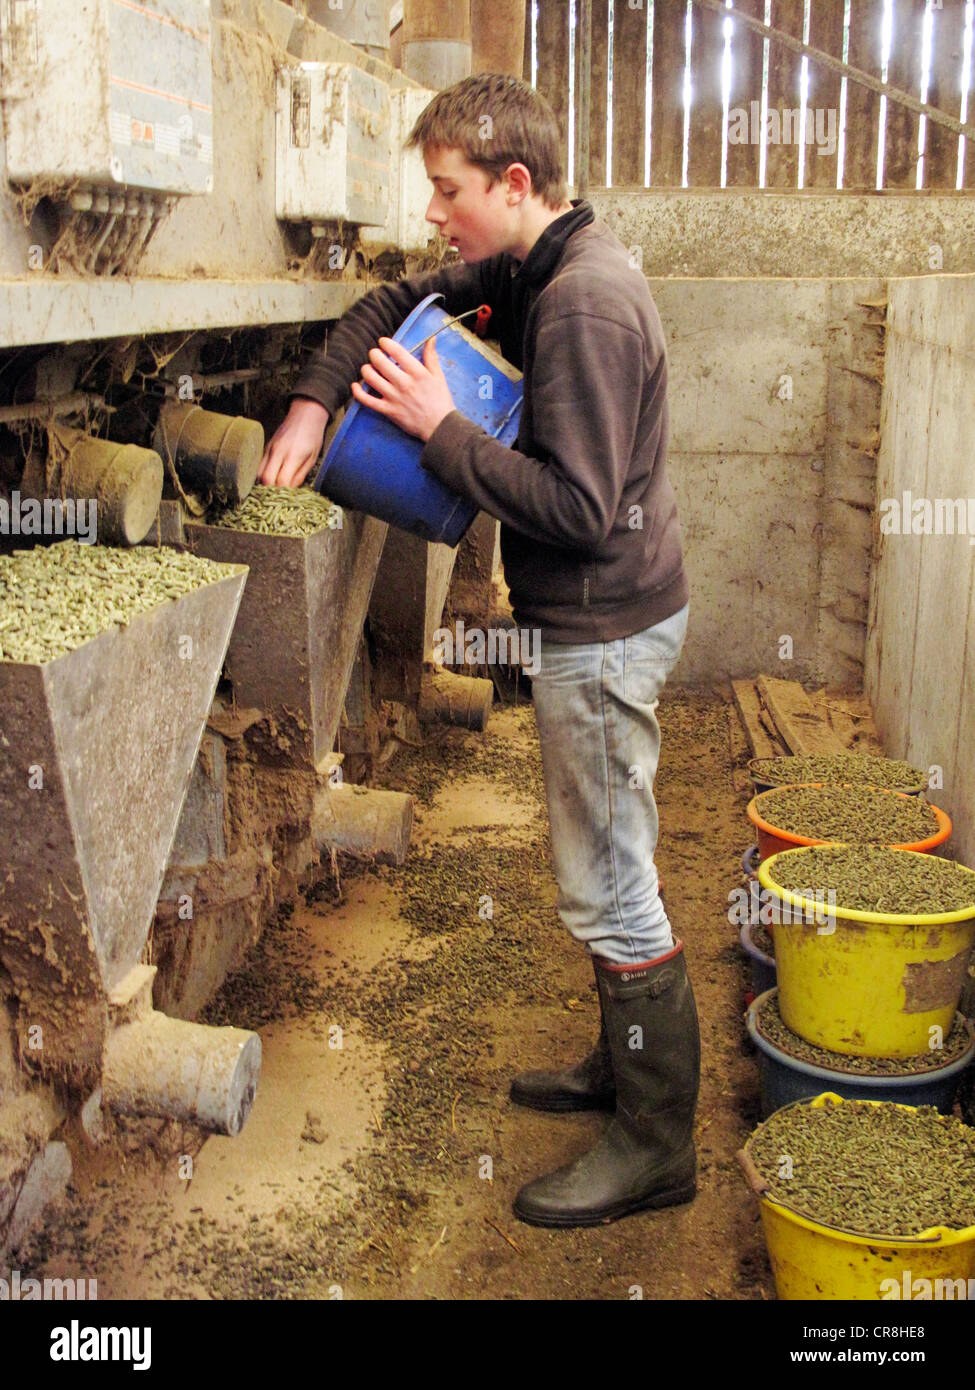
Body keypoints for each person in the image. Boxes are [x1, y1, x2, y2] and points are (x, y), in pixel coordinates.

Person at [259, 72, 700, 1229]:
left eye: (448, 191)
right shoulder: (534, 264)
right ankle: (620, 1069)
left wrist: (437, 430)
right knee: (608, 875)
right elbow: (393, 300)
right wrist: (316, 400)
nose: (435, 215)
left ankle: (657, 1144)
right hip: (595, 618)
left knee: (611, 891)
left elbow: (582, 510)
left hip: (606, 628)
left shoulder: (589, 304)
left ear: (514, 184)